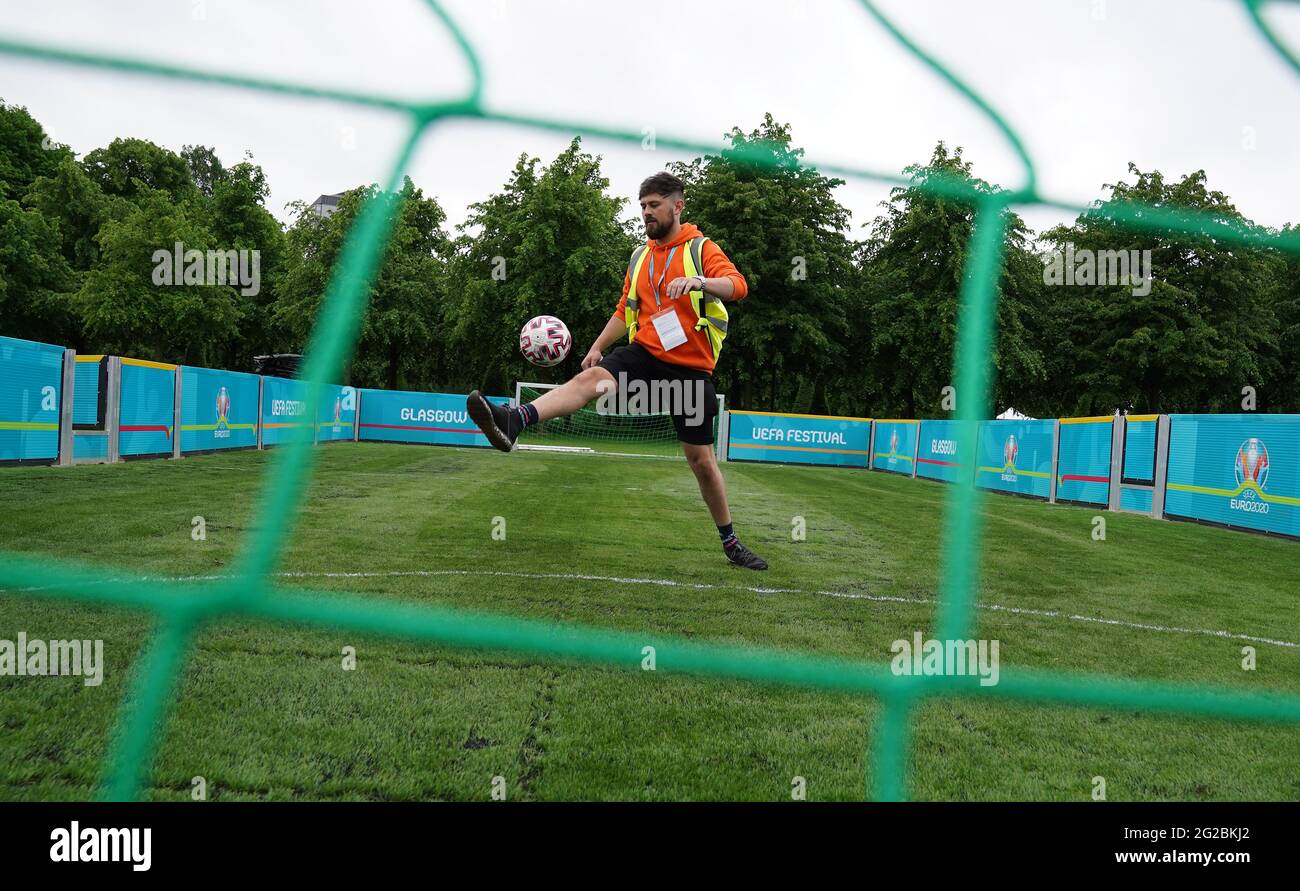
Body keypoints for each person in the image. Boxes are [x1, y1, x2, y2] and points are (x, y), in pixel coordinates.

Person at [467, 172, 768, 570]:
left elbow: (738, 285)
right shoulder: (639, 257)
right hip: (644, 353)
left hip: (691, 370)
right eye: (642, 205)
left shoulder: (700, 248)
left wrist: (700, 282)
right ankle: (515, 419)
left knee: (701, 461)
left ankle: (731, 543)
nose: (646, 212)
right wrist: (596, 346)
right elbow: (626, 309)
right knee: (591, 380)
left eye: (654, 205)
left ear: (677, 207)